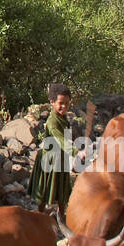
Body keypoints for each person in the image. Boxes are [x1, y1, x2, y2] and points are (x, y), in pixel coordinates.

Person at [28, 82, 76, 213]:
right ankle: (40, 215)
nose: (64, 106)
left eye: (67, 103)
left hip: (61, 158)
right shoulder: (52, 121)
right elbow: (60, 139)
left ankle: (62, 215)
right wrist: (76, 152)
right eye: (61, 103)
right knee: (44, 190)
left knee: (62, 189)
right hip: (49, 159)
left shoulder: (63, 117)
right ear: (52, 102)